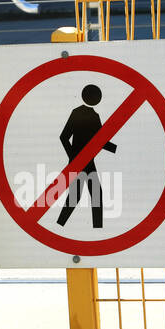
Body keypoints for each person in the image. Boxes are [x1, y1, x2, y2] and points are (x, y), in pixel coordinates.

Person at [56, 84, 116, 229]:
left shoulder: (95, 116)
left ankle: (97, 230)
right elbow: (64, 137)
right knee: (75, 197)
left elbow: (100, 141)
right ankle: (59, 226)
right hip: (78, 163)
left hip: (89, 163)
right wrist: (74, 158)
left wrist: (115, 148)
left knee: (96, 197)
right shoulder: (76, 113)